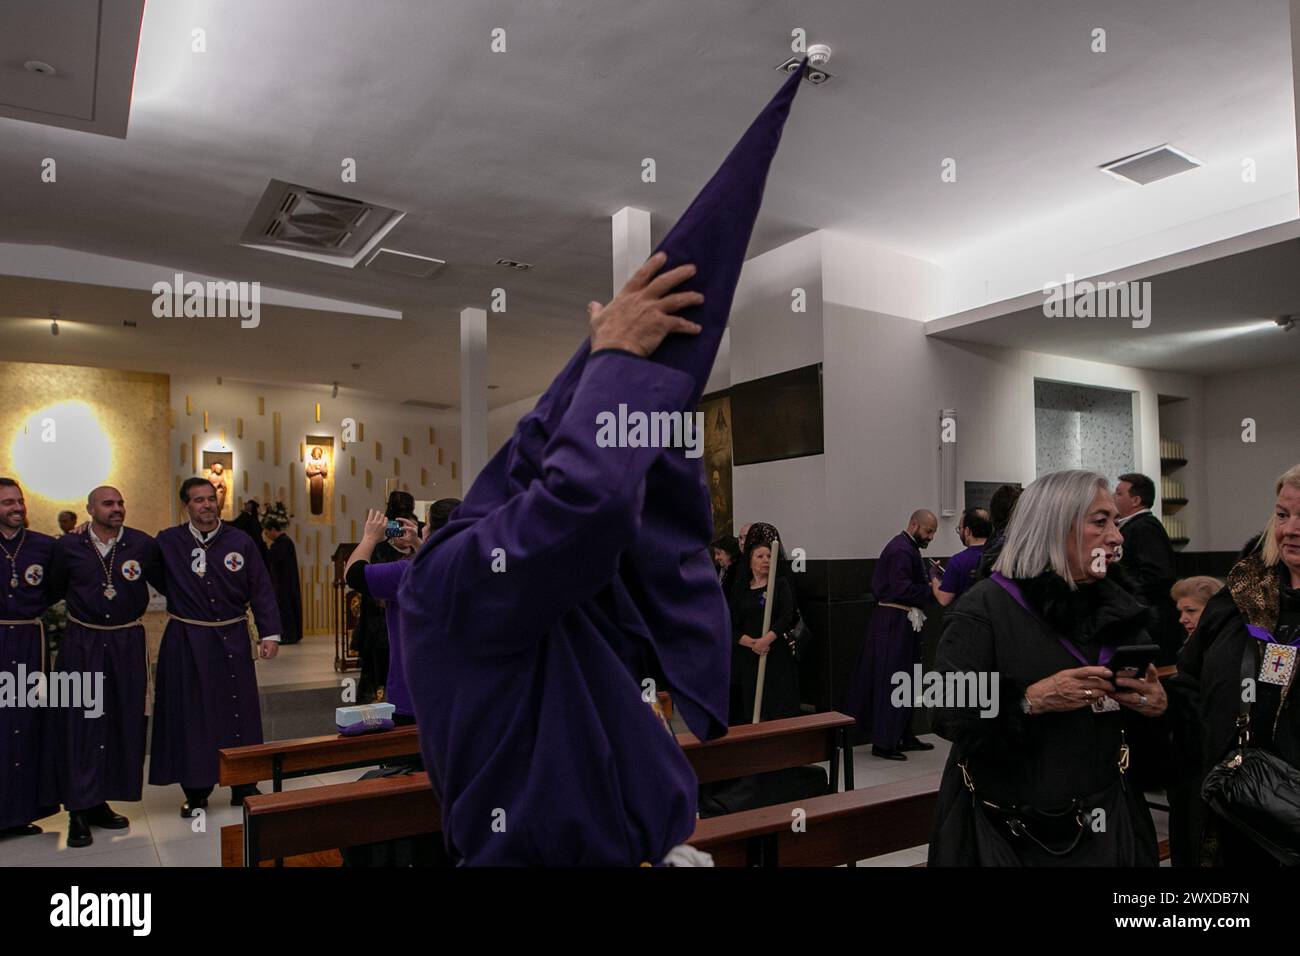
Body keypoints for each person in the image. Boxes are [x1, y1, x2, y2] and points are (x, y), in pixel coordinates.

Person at [398, 64, 805, 866]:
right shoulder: (450, 581)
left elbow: (636, 526)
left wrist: (637, 389)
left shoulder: (555, 591)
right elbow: (582, 509)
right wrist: (614, 363)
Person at [929, 470, 1166, 866]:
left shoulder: (1117, 607)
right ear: (1055, 526)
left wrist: (1156, 705)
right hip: (1012, 829)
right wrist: (1027, 701)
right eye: (1100, 521)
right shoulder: (987, 606)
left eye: (1116, 521)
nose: (1117, 536)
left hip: (1106, 817)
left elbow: (1137, 718)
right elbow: (947, 706)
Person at [1179, 463, 1300, 867]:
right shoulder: (1238, 595)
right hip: (1235, 803)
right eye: (1283, 515)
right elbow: (1190, 679)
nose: (1290, 529)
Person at [148, 477, 282, 817]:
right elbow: (136, 559)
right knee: (191, 714)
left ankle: (245, 782)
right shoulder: (167, 542)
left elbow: (261, 587)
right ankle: (196, 789)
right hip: (187, 640)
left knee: (240, 710)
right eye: (198, 500)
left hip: (232, 637)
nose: (207, 505)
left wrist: (270, 633)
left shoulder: (241, 541)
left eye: (211, 499)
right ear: (186, 506)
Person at [45, 486, 163, 847]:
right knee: (80, 721)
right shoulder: (68, 546)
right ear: (90, 509)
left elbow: (173, 581)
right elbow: (52, 588)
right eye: (108, 504)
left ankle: (101, 801)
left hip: (126, 643)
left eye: (120, 503)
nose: (117, 509)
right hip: (83, 643)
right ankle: (77, 810)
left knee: (120, 720)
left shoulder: (142, 544)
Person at [844, 509, 941, 759]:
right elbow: (901, 588)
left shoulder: (907, 548)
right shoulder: (900, 550)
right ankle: (884, 742)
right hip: (893, 623)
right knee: (894, 680)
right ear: (913, 524)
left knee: (906, 680)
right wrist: (933, 589)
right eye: (928, 531)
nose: (930, 537)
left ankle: (903, 734)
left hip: (902, 622)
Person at [0, 478, 57, 838]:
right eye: (7, 503)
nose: (17, 507)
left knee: (26, 724)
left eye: (19, 501)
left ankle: (20, 813)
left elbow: (58, 585)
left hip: (28, 642)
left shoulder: (44, 547)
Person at [1162, 575, 1223, 867]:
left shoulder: (1220, 651)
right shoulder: (1189, 647)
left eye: (1191, 611)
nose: (1183, 619)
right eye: (1180, 612)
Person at [345, 509, 423, 726]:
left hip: (412, 692)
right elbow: (433, 560)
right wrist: (418, 543)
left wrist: (369, 537)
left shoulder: (406, 571)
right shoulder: (466, 567)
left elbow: (354, 574)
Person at [728, 522, 800, 723]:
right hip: (748, 656)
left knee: (778, 706)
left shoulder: (780, 584)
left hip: (775, 653)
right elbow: (731, 623)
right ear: (750, 560)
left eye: (769, 556)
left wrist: (765, 641)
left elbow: (787, 616)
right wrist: (751, 643)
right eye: (760, 556)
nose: (766, 560)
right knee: (751, 708)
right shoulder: (741, 589)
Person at [1115, 472, 1180, 663]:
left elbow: (1158, 574)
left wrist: (1124, 590)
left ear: (1135, 500)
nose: (1113, 497)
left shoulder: (1144, 527)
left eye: (1119, 493)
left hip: (1153, 617)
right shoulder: (1132, 527)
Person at [260, 503, 301, 645]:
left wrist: (265, 547)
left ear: (273, 530)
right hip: (284, 581)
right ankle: (288, 634)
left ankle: (289, 635)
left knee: (286, 608)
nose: (267, 536)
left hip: (285, 583)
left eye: (267, 532)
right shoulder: (283, 542)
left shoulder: (283, 542)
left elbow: (273, 558)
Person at [932, 507, 991, 606]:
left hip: (967, 618)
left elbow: (944, 599)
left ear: (967, 531)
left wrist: (934, 576)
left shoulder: (958, 561)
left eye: (960, 528)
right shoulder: (1000, 556)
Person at [230, 499, 268, 566]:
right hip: (258, 547)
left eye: (246, 504)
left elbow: (235, 525)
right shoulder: (255, 519)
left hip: (249, 547)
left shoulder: (245, 516)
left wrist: (222, 522)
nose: (244, 505)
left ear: (250, 507)